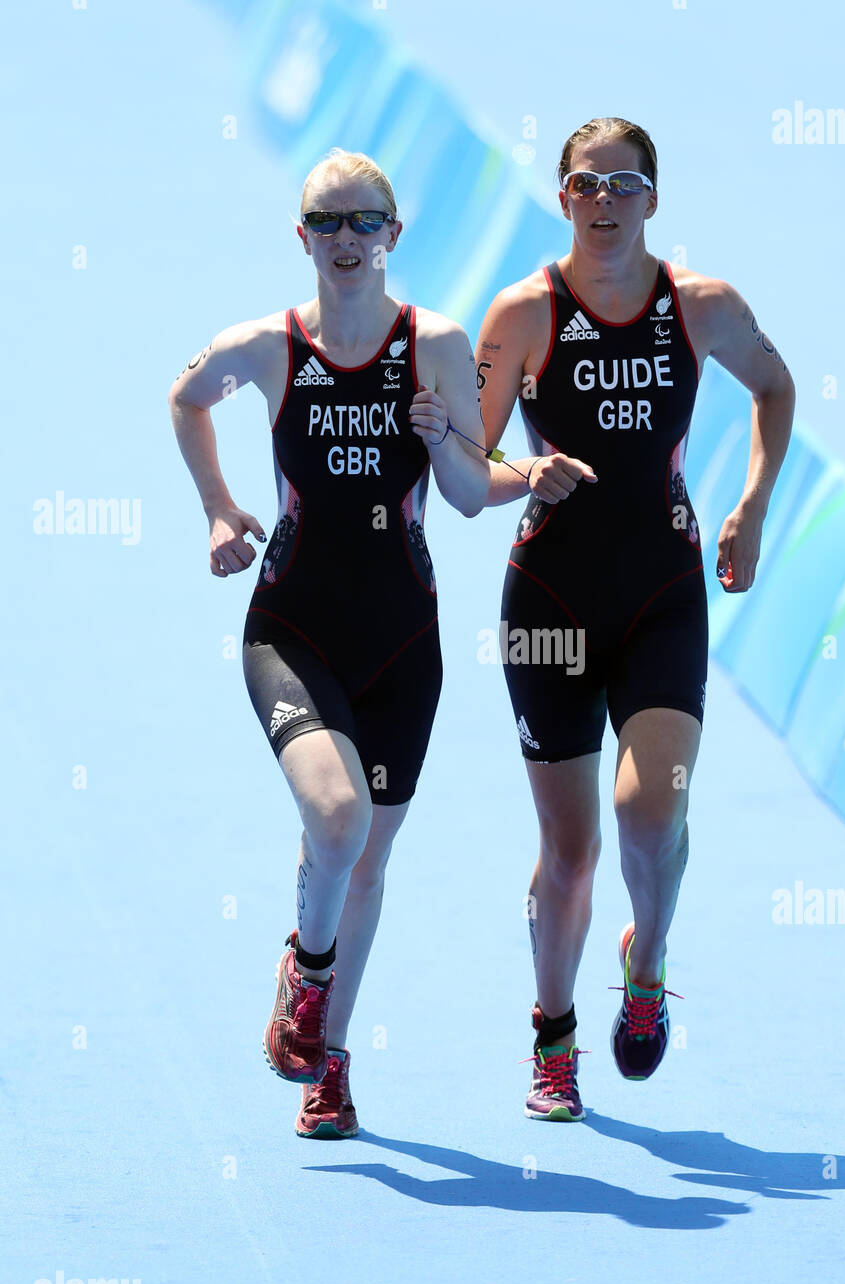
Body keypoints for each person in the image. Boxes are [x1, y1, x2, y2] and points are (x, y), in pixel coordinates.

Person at [476, 117, 795, 1120]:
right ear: (560, 198)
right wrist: (524, 470)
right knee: (569, 852)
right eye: (585, 185)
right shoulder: (523, 316)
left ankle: (646, 957)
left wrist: (751, 502)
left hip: (662, 594)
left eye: (623, 186)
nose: (604, 203)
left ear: (653, 198)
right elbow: (461, 472)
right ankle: (553, 1039)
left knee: (646, 815)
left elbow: (775, 388)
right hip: (549, 606)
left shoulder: (700, 307)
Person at [168, 149, 491, 1137]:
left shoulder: (434, 343)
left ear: (395, 234)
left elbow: (474, 496)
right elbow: (185, 398)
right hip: (292, 627)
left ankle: (331, 1060)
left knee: (366, 865)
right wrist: (220, 511)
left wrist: (441, 438)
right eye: (328, 220)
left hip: (403, 644)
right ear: (300, 235)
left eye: (365, 220)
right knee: (337, 819)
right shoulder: (269, 346)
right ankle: (306, 971)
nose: (346, 238)